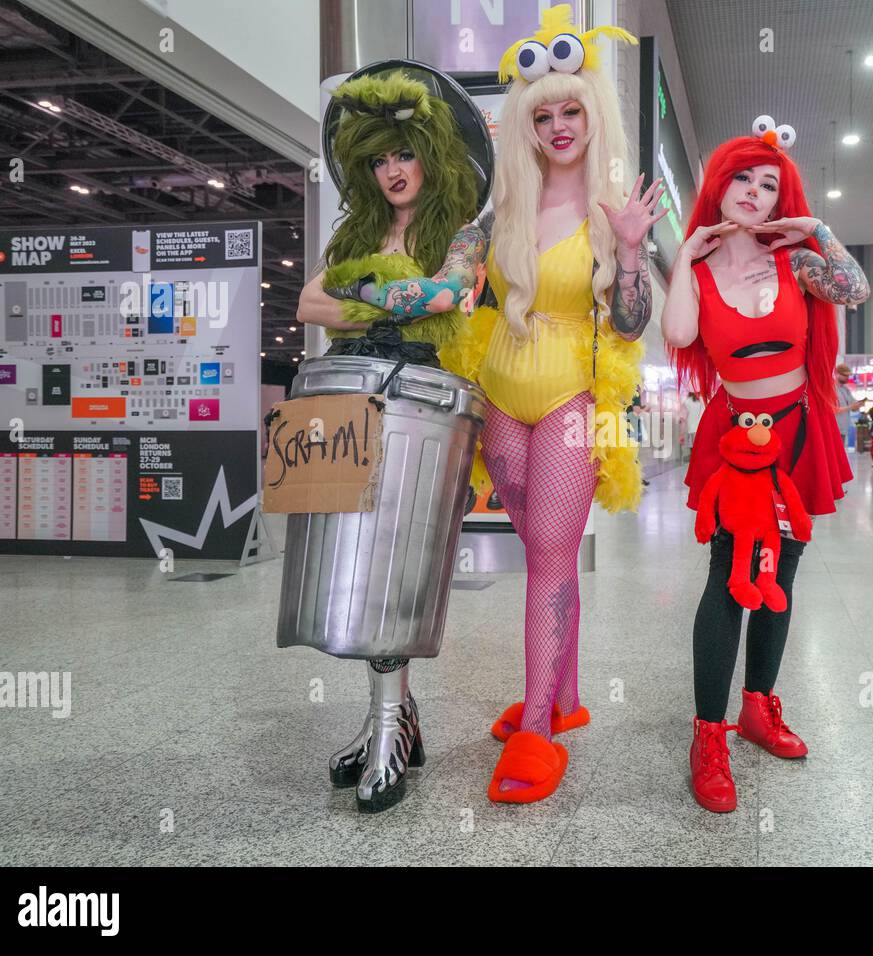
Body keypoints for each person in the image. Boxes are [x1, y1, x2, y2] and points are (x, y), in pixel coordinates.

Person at [441, 4, 662, 804]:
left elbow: (632, 323)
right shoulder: (499, 209)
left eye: (572, 110)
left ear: (591, 115)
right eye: (545, 113)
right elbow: (452, 281)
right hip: (499, 390)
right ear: (525, 123)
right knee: (540, 546)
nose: (560, 124)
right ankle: (563, 699)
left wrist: (633, 250)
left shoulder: (613, 211)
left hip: (573, 393)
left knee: (547, 556)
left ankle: (537, 727)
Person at [293, 66, 487, 813]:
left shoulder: (463, 231)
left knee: (395, 567)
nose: (392, 171)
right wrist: (388, 296)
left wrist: (364, 290)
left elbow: (447, 296)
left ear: (428, 155)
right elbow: (311, 300)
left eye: (403, 155)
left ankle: (387, 730)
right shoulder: (357, 230)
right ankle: (394, 721)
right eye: (378, 160)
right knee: (353, 565)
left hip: (418, 409)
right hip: (346, 400)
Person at [663, 117, 869, 813]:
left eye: (769, 183)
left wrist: (814, 227)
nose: (754, 192)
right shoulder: (695, 270)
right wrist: (684, 253)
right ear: (718, 187)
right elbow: (679, 334)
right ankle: (708, 735)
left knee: (781, 573)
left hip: (799, 433)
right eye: (742, 179)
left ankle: (757, 708)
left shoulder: (798, 262)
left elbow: (855, 288)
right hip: (734, 440)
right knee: (728, 576)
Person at [834, 363, 862, 455]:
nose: (847, 377)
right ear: (837, 373)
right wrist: (851, 407)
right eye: (845, 375)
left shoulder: (846, 390)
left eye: (848, 375)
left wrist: (857, 405)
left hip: (843, 428)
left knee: (840, 454)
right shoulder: (832, 389)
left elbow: (852, 405)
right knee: (835, 454)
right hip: (834, 429)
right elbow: (832, 409)